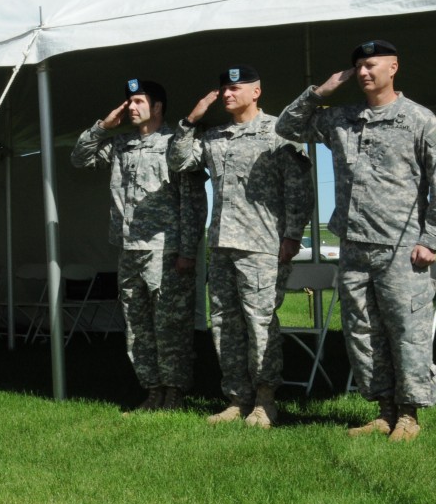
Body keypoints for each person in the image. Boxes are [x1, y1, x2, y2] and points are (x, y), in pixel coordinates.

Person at [276, 40, 436, 442]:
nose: (363, 72)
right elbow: (287, 126)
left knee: (406, 330)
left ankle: (409, 415)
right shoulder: (342, 118)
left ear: (394, 67)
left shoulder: (418, 119)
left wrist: (431, 237)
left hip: (401, 245)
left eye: (371, 65)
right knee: (363, 331)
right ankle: (383, 409)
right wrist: (320, 92)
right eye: (358, 66)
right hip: (355, 245)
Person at [169, 65, 313, 428]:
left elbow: (299, 188)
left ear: (256, 91)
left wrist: (292, 236)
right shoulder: (215, 137)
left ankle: (266, 400)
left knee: (261, 323)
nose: (228, 94)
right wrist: (190, 120)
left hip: (262, 246)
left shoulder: (278, 133)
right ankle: (236, 398)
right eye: (224, 89)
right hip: (221, 246)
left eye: (235, 88)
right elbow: (179, 161)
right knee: (224, 324)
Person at [71, 80, 207, 411]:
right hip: (129, 248)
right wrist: (103, 126)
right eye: (128, 101)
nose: (130, 107)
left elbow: (193, 201)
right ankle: (153, 389)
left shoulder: (177, 142)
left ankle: (174, 391)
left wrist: (188, 250)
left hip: (166, 249)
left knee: (170, 325)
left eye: (137, 101)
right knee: (137, 325)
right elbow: (79, 158)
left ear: (157, 106)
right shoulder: (121, 144)